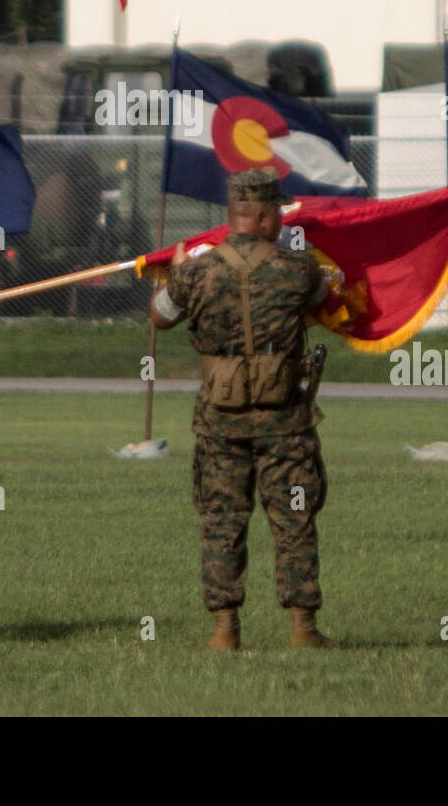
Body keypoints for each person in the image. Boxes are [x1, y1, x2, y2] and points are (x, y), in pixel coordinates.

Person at [151, 165, 330, 650]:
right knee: (294, 518)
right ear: (268, 216)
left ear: (234, 216)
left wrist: (180, 269)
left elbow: (160, 316)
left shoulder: (197, 273)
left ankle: (225, 632)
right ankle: (303, 630)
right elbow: (323, 296)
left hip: (219, 423)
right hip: (285, 424)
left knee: (222, 521)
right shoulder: (297, 269)